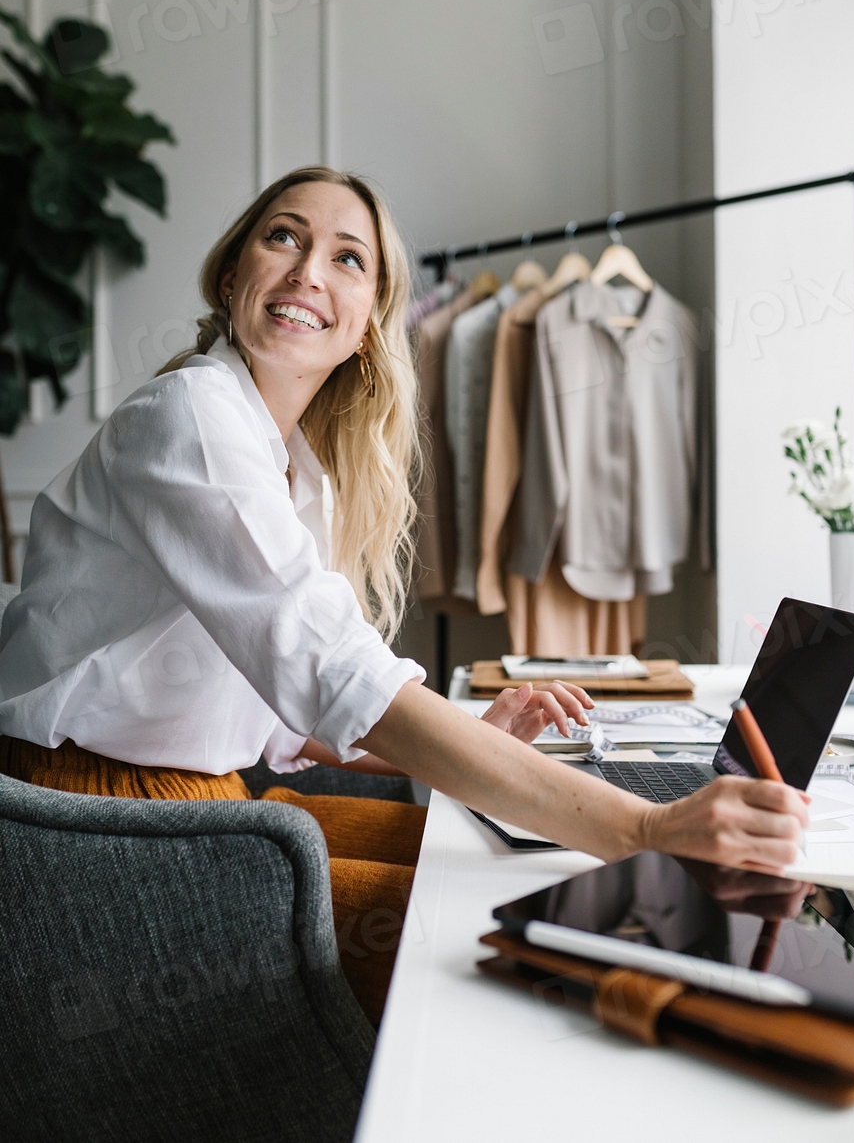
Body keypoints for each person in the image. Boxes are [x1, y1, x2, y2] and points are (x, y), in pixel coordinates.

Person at [0, 166, 808, 1025]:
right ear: (231, 276)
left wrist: (471, 737)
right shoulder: (191, 416)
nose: (310, 270)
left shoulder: (295, 471)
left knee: (530, 871)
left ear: (365, 326)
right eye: (284, 236)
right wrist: (648, 828)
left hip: (197, 802)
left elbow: (284, 719)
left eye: (348, 258)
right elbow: (333, 673)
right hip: (91, 825)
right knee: (495, 936)